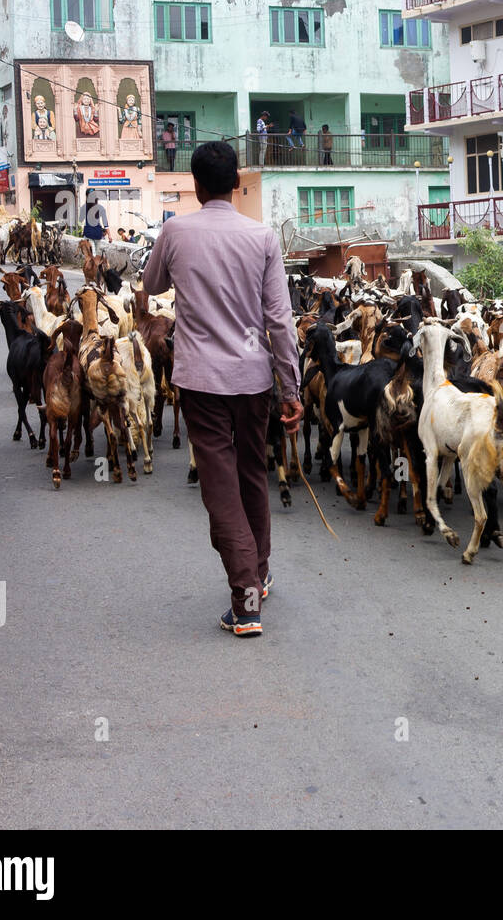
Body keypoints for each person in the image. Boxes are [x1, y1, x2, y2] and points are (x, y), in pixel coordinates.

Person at [142, 141, 302, 638]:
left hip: (201, 383)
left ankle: (246, 600)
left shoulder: (174, 231)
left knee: (220, 488)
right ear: (237, 183)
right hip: (254, 382)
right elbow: (279, 319)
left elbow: (149, 285)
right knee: (252, 473)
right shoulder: (263, 238)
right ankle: (261, 571)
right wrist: (292, 387)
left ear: (195, 184)